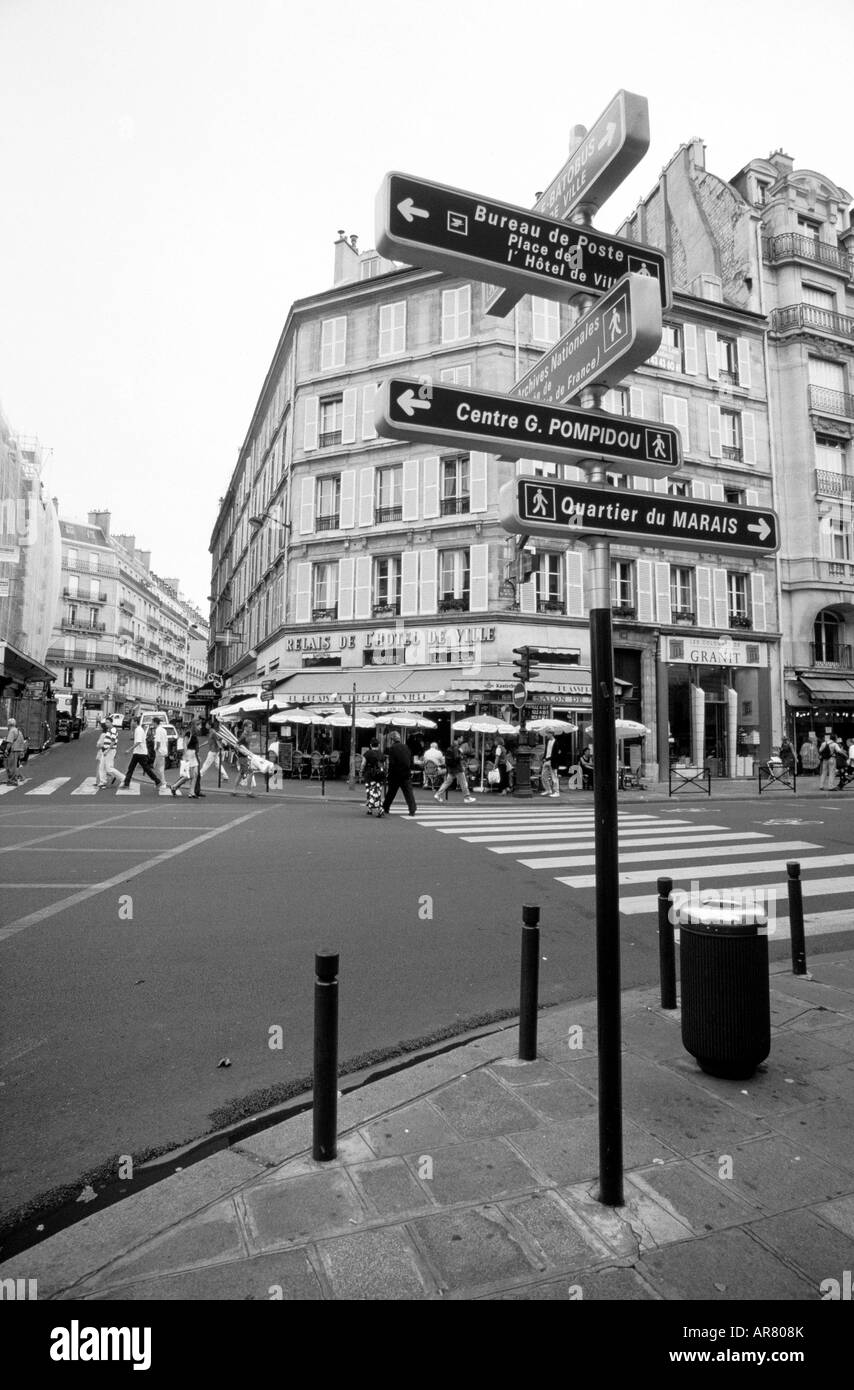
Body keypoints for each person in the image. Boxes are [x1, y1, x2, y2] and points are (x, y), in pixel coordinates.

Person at [382, 731, 417, 816]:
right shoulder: (406, 747)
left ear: (392, 740)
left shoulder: (392, 748)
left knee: (391, 792)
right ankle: (412, 809)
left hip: (395, 774)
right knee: (408, 792)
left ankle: (385, 807)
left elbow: (392, 763)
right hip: (406, 773)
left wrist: (388, 773)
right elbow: (410, 759)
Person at [122, 718, 163, 789]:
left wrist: (129, 749)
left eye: (132, 721)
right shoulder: (138, 729)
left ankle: (158, 781)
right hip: (139, 753)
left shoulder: (138, 730)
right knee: (133, 768)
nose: (131, 723)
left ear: (135, 722)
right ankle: (126, 783)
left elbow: (138, 742)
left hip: (140, 753)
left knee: (144, 769)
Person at [436, 737, 476, 803]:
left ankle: (438, 794)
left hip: (451, 768)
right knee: (463, 782)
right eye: (461, 738)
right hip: (457, 768)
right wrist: (461, 757)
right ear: (458, 739)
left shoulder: (450, 747)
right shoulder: (456, 747)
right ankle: (467, 797)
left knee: (447, 782)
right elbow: (457, 757)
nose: (462, 740)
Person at [171, 721, 201, 797]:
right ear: (195, 725)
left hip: (193, 755)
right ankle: (174, 786)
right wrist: (186, 756)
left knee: (195, 774)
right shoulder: (188, 733)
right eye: (199, 725)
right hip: (189, 754)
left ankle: (191, 792)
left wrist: (198, 755)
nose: (200, 727)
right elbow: (185, 744)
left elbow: (195, 746)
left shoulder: (194, 734)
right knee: (188, 776)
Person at [361, 738, 385, 816]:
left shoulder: (367, 753)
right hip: (379, 775)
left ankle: (380, 808)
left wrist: (361, 771)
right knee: (377, 792)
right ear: (378, 745)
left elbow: (363, 764)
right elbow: (384, 765)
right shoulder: (381, 754)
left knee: (370, 792)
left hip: (369, 775)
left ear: (371, 745)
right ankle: (370, 809)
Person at [95, 719, 120, 789]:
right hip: (106, 751)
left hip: (109, 751)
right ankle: (103, 782)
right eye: (106, 722)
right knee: (101, 767)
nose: (106, 723)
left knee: (109, 768)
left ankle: (123, 778)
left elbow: (113, 741)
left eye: (108, 722)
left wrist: (108, 750)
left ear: (111, 723)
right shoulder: (109, 730)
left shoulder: (113, 730)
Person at [2, 718, 26, 785]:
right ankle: (13, 779)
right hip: (18, 750)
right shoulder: (18, 731)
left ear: (9, 724)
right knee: (15, 765)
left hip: (13, 750)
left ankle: (13, 780)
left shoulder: (12, 731)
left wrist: (6, 750)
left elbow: (9, 742)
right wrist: (22, 750)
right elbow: (22, 741)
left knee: (11, 766)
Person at [150, 717, 169, 787]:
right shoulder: (164, 730)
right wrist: (167, 750)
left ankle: (163, 782)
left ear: (155, 722)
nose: (152, 724)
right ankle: (159, 782)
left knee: (159, 768)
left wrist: (156, 749)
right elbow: (167, 741)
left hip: (159, 751)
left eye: (152, 722)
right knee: (156, 766)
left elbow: (158, 742)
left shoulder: (158, 730)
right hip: (163, 751)